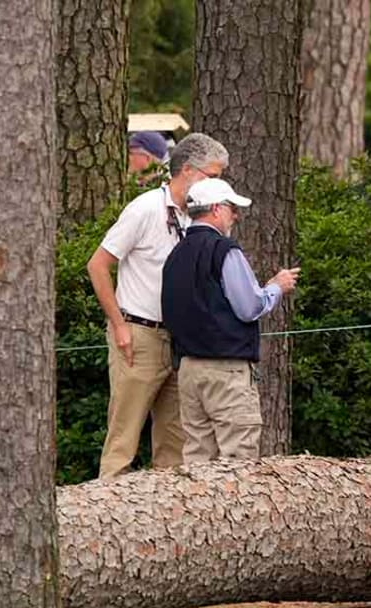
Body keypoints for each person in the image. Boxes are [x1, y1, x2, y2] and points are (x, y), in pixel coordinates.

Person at [86, 132, 229, 479]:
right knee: (124, 435)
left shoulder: (196, 218)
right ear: (190, 171)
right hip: (139, 334)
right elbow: (98, 264)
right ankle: (106, 514)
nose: (218, 185)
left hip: (180, 339)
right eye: (214, 176)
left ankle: (164, 519)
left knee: (175, 442)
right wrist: (119, 325)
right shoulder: (145, 208)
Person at [161, 179, 299, 462]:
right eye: (231, 208)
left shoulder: (175, 255)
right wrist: (276, 287)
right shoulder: (224, 249)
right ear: (215, 209)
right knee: (238, 462)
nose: (235, 215)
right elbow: (249, 307)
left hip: (188, 369)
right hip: (227, 371)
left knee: (197, 459)